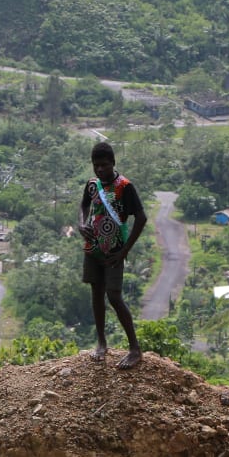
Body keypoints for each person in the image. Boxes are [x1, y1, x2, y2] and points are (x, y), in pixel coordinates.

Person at [78, 141, 148, 369]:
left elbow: (141, 218)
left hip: (115, 251)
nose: (100, 169)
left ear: (113, 163)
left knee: (114, 296)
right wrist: (81, 224)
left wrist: (125, 250)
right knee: (96, 293)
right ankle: (101, 343)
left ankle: (135, 349)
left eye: (104, 165)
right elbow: (83, 206)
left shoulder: (125, 187)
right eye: (96, 165)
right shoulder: (92, 185)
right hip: (93, 248)